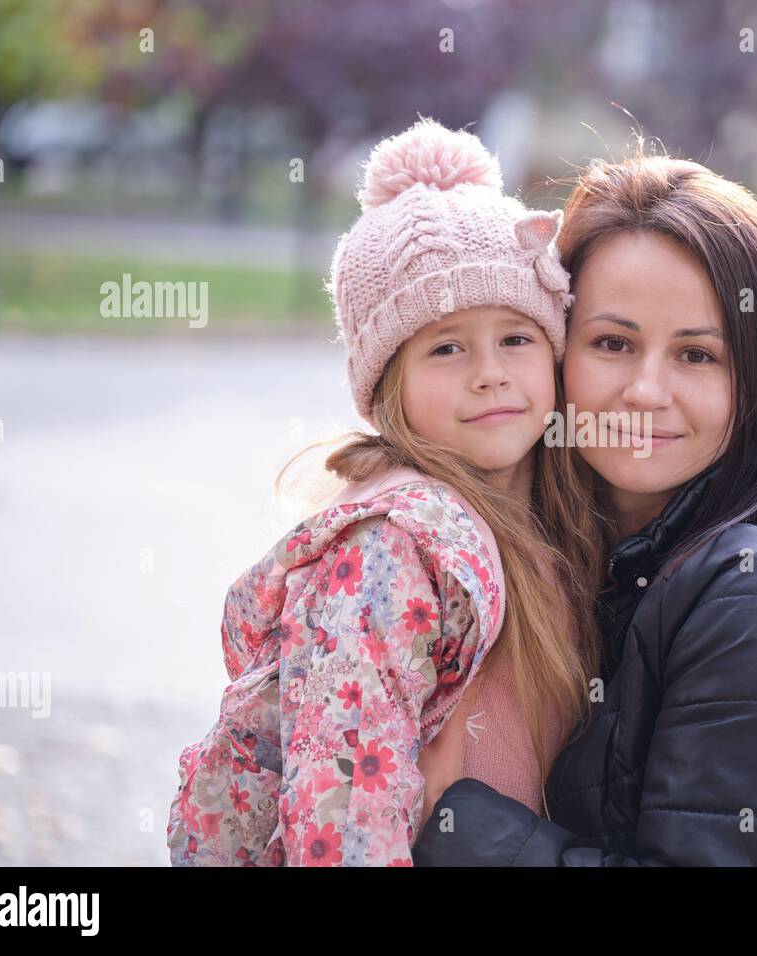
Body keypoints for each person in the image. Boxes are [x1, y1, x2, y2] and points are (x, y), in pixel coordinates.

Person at [412, 145, 757, 866]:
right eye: (611, 343)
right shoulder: (574, 572)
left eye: (697, 356)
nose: (645, 391)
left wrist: (465, 829)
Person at [166, 117, 604, 866]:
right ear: (386, 382)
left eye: (517, 338)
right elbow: (341, 805)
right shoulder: (388, 551)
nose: (489, 371)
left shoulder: (544, 521)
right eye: (446, 347)